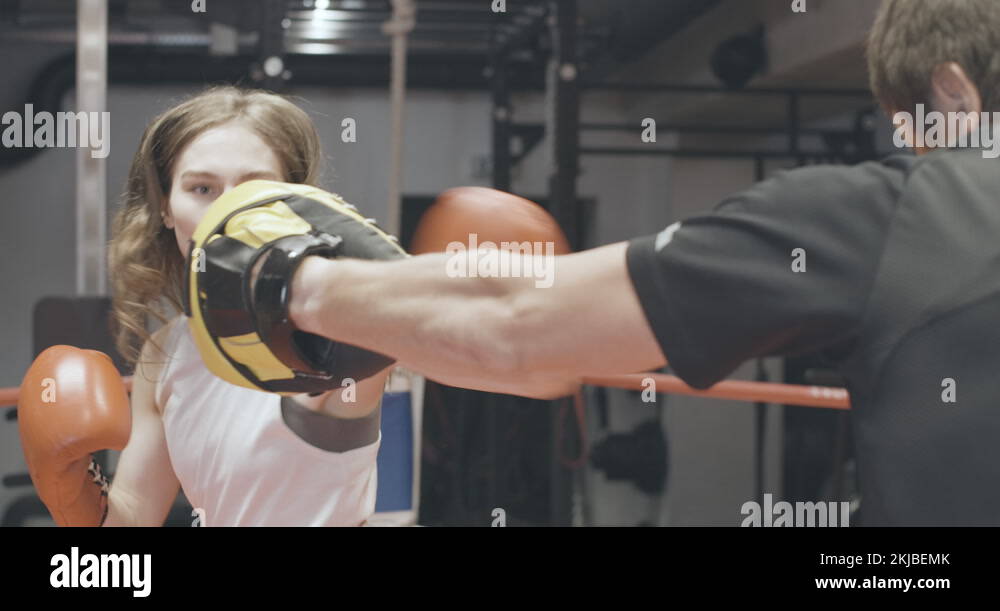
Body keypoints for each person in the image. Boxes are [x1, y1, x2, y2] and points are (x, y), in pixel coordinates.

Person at [253, 0, 1000, 525]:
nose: (914, 160)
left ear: (951, 95)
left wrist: (293, 281)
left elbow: (519, 324)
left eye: (915, 137)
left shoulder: (893, 213)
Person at [22, 87, 394, 526]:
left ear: (292, 204)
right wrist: (70, 488)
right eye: (203, 188)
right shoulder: (165, 352)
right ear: (166, 208)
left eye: (255, 189)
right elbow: (134, 516)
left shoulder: (331, 331)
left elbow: (400, 320)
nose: (229, 212)